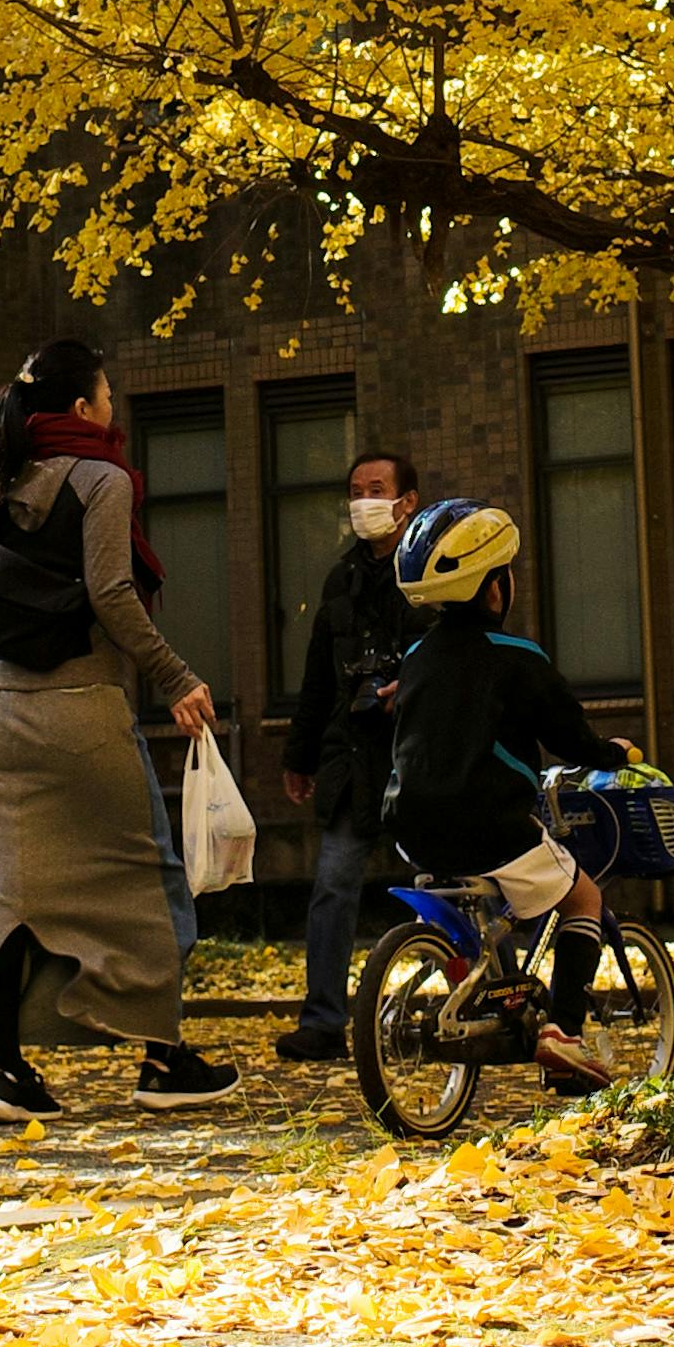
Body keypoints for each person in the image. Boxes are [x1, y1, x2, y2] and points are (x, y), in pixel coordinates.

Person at [0, 339, 236, 1122]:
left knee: (4, 901)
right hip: (80, 710)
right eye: (107, 395)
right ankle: (162, 1062)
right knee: (145, 881)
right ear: (80, 410)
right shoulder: (102, 479)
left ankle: (5, 1074)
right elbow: (108, 589)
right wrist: (175, 676)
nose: (113, 408)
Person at [384, 490, 615, 1094]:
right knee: (582, 898)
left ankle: (498, 996)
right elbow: (569, 735)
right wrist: (611, 753)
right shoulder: (517, 656)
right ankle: (563, 1032)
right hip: (489, 822)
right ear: (494, 589)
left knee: (490, 902)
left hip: (412, 828)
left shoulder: (415, 658)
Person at [278, 445, 418, 1064]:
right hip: (350, 757)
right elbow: (316, 678)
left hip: (420, 757)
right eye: (357, 490)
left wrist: (409, 685)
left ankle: (464, 1003)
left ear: (407, 501)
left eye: (378, 488)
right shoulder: (342, 578)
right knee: (333, 886)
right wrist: (299, 756)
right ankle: (323, 1020)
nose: (366, 501)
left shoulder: (432, 572)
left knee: (450, 885)